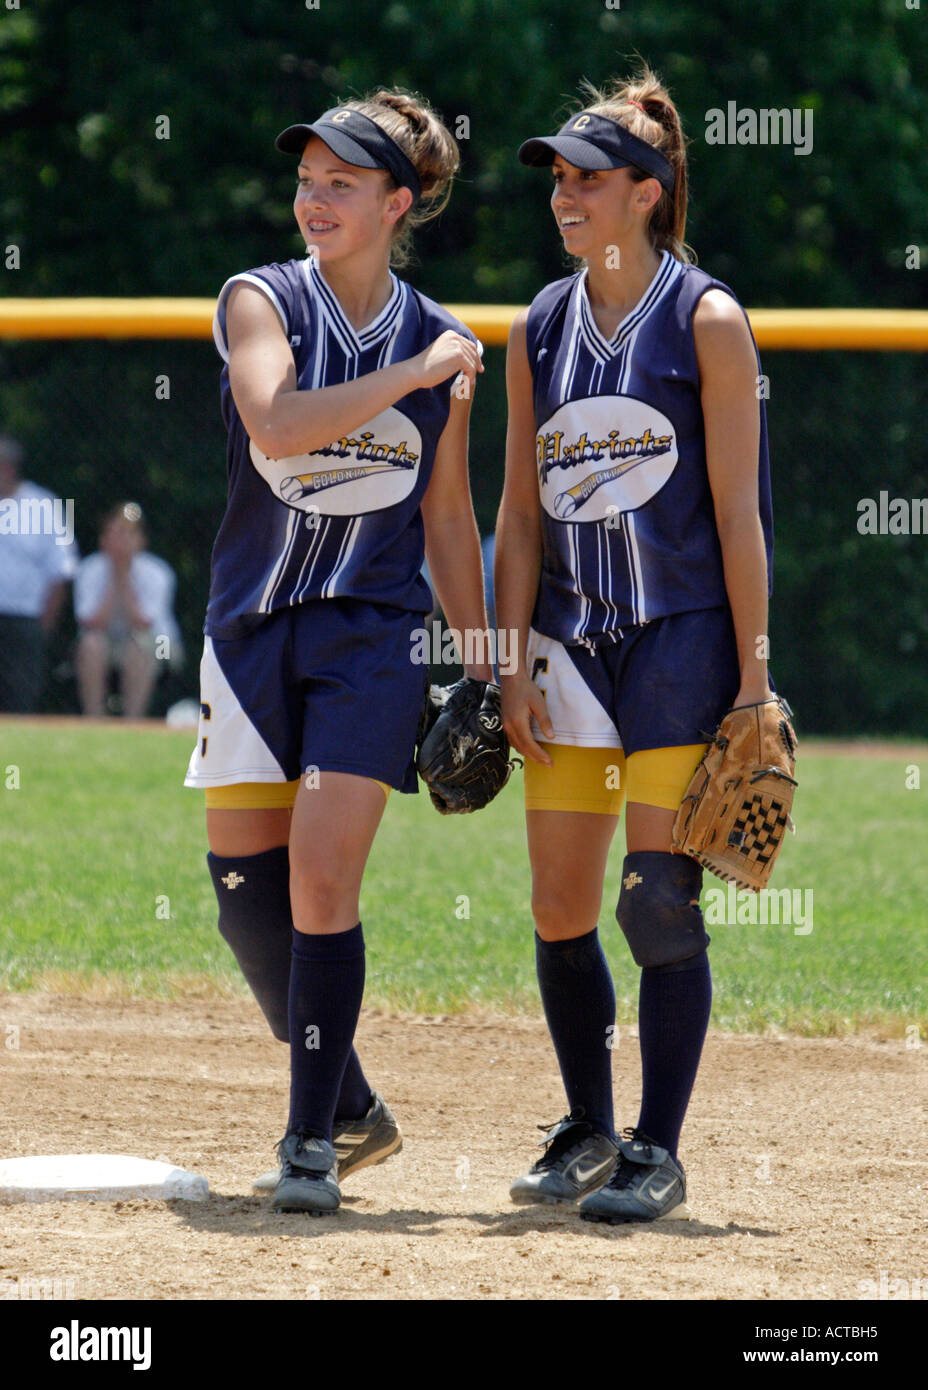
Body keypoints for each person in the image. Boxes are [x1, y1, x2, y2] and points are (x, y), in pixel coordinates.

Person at [184, 90, 490, 1214]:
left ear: (396, 202)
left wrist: (486, 663)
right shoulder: (259, 298)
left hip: (371, 635)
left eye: (342, 185)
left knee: (320, 875)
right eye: (307, 181)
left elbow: (448, 519)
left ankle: (307, 1140)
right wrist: (414, 376)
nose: (314, 201)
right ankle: (354, 1103)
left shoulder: (438, 339)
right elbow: (276, 424)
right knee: (244, 896)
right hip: (252, 624)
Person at [495, 66, 775, 1223]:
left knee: (655, 901)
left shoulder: (703, 319)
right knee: (560, 907)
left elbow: (737, 509)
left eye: (587, 178)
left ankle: (657, 1148)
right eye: (556, 178)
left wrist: (754, 677)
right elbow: (515, 511)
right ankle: (587, 1126)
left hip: (679, 644)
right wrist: (500, 656)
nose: (564, 195)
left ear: (647, 195)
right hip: (569, 647)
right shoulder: (538, 326)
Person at [74, 502, 181, 717]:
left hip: (161, 646)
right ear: (103, 539)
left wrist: (123, 578)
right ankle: (93, 720)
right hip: (107, 643)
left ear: (141, 540)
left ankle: (133, 722)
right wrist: (115, 578)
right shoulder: (89, 569)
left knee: (140, 645)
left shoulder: (158, 573)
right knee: (91, 643)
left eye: (128, 534)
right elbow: (92, 623)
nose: (121, 541)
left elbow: (143, 623)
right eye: (116, 533)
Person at [0, 434, 78, 712]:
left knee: (19, 698)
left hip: (24, 622)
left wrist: (43, 627)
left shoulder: (44, 506)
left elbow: (60, 572)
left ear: (7, 468)